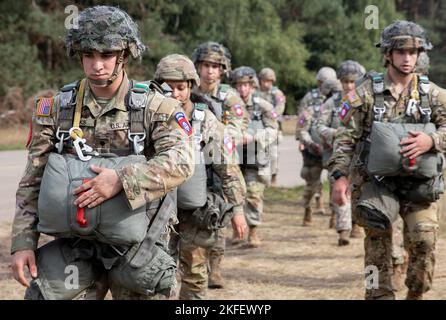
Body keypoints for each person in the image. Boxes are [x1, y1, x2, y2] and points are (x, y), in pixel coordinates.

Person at [10, 6, 194, 300]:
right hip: (76, 242)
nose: (97, 65)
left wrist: (122, 179)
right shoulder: (55, 109)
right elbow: (32, 179)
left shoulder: (156, 107)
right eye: (89, 55)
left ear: (124, 54)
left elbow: (182, 161)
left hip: (138, 244)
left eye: (106, 55)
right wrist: (22, 242)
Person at [329, 20, 446, 300]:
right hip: (376, 184)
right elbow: (346, 137)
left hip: (420, 183)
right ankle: (378, 295)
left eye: (413, 52)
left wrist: (431, 140)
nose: (408, 58)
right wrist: (339, 176)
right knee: (377, 248)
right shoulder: (366, 93)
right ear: (388, 54)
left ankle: (415, 293)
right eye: (401, 51)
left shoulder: (433, 94)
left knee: (424, 241)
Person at [154, 54, 247, 299]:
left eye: (180, 88)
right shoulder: (147, 116)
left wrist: (237, 210)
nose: (174, 94)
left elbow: (227, 168)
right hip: (155, 212)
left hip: (195, 212)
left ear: (190, 86)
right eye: (167, 87)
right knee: (153, 274)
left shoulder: (204, 120)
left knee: (194, 275)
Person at [191, 41, 248, 289]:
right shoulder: (187, 90)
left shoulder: (229, 97)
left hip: (220, 161)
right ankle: (195, 267)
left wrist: (213, 133)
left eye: (215, 66)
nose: (210, 71)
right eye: (205, 65)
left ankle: (215, 269)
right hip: (192, 162)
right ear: (198, 67)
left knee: (219, 217)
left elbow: (238, 129)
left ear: (222, 69)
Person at [231, 66, 278, 248]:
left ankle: (253, 232)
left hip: (255, 157)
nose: (242, 89)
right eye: (239, 86)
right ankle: (236, 230)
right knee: (233, 194)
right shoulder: (228, 106)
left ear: (252, 86)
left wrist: (254, 137)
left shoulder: (263, 106)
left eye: (246, 85)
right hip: (233, 158)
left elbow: (273, 130)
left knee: (253, 194)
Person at [296, 67, 337, 226]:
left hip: (333, 152)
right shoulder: (310, 106)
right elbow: (301, 127)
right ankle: (308, 208)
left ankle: (335, 215)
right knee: (311, 184)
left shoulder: (340, 107)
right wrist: (308, 143)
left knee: (335, 183)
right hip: (313, 152)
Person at [258, 68, 286, 186]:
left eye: (269, 81)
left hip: (272, 127)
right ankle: (261, 179)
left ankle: (274, 176)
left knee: (273, 154)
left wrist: (269, 115)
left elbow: (279, 109)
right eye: (264, 80)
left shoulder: (277, 93)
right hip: (258, 126)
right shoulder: (255, 92)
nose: (266, 83)